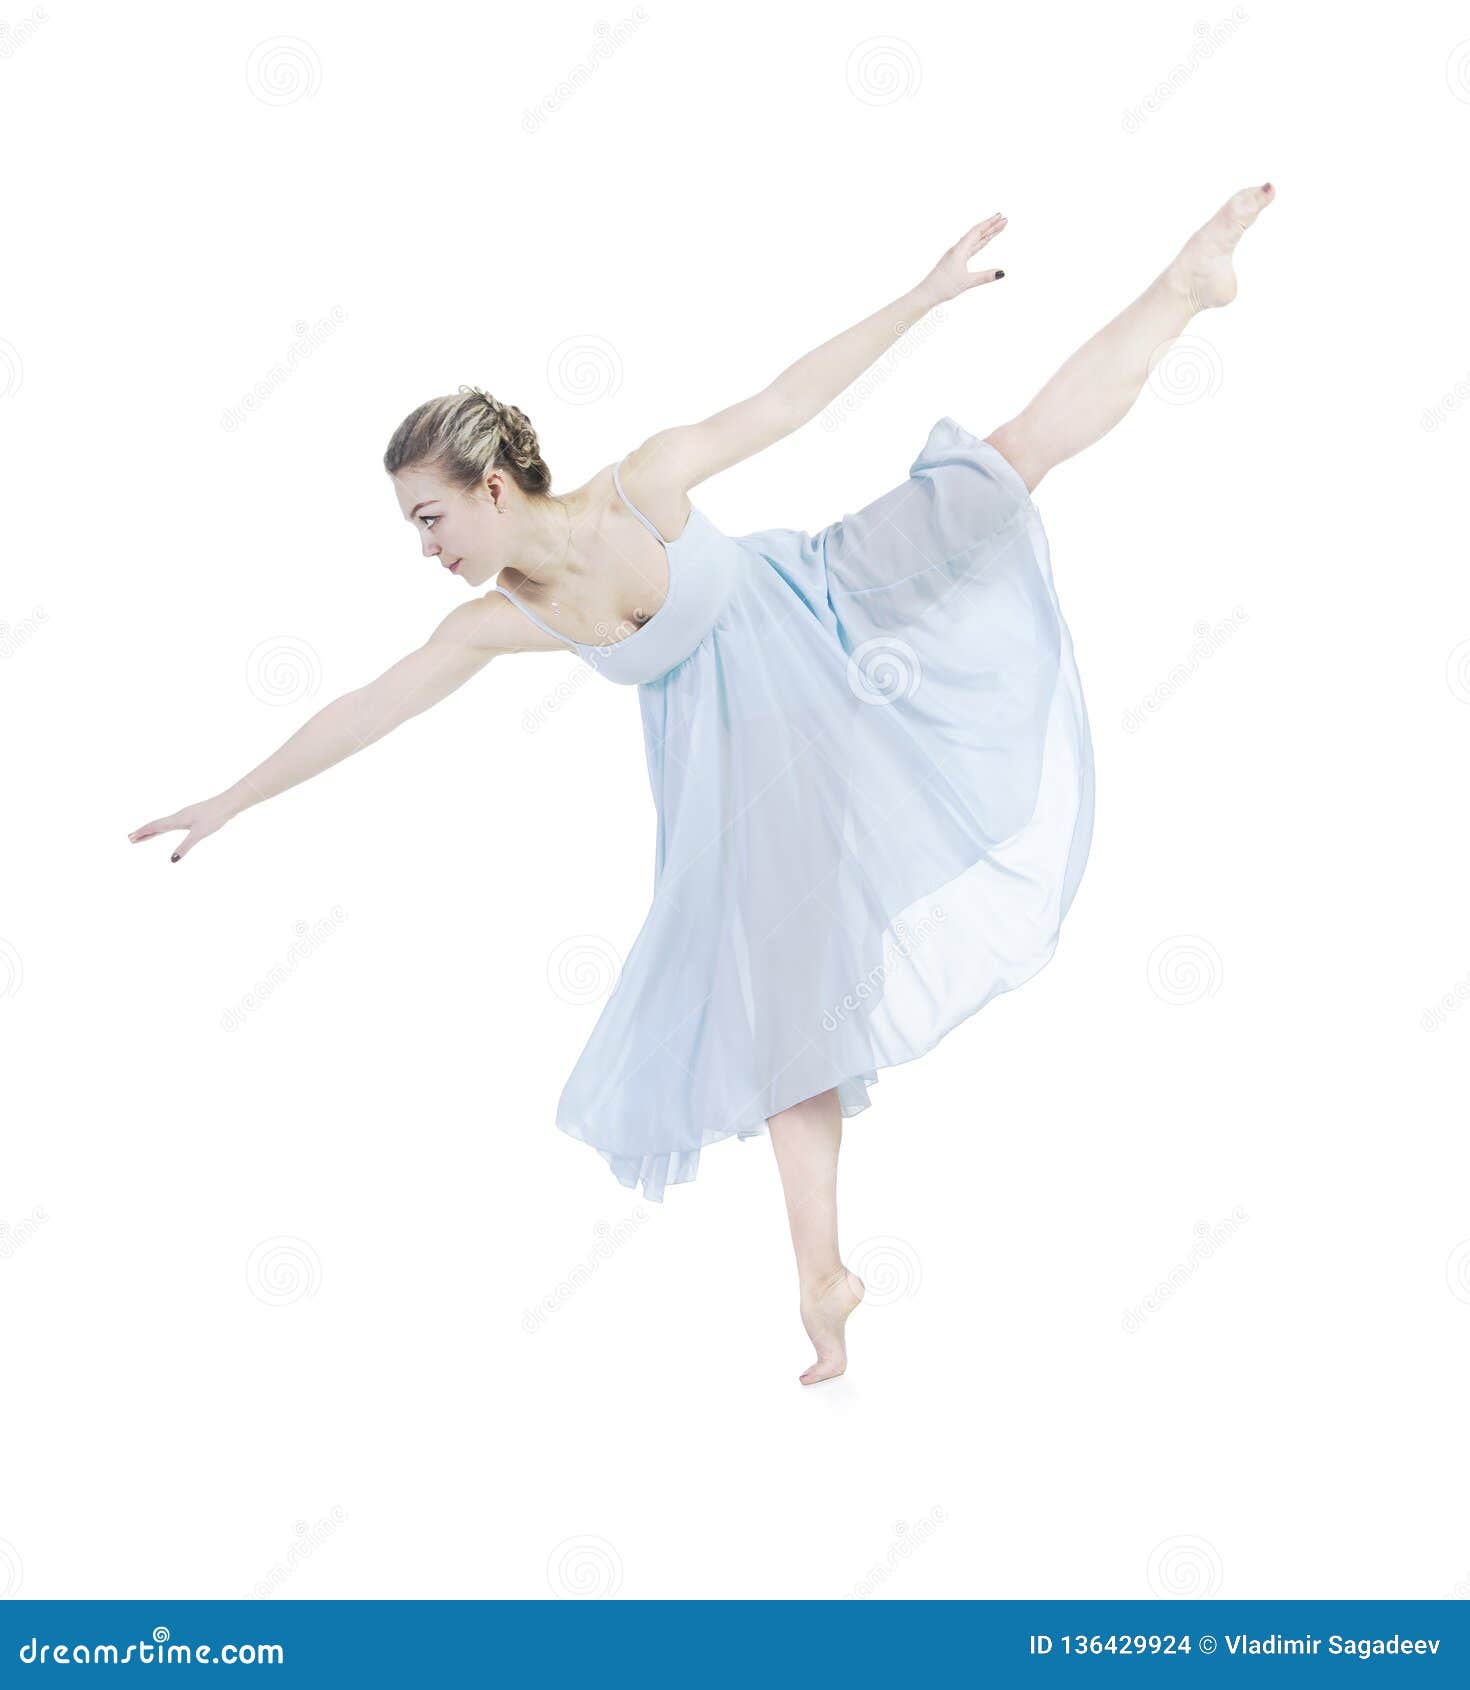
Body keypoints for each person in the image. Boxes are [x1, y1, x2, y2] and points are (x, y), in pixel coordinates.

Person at [130, 184, 1275, 1384]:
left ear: (494, 489)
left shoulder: (645, 485)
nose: (428, 548)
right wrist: (231, 797)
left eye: (430, 518)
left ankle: (1185, 285)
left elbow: (792, 395)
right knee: (787, 1010)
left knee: (1011, 456)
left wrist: (925, 296)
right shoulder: (498, 622)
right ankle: (822, 1275)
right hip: (754, 770)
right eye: (415, 530)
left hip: (834, 605)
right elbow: (369, 706)